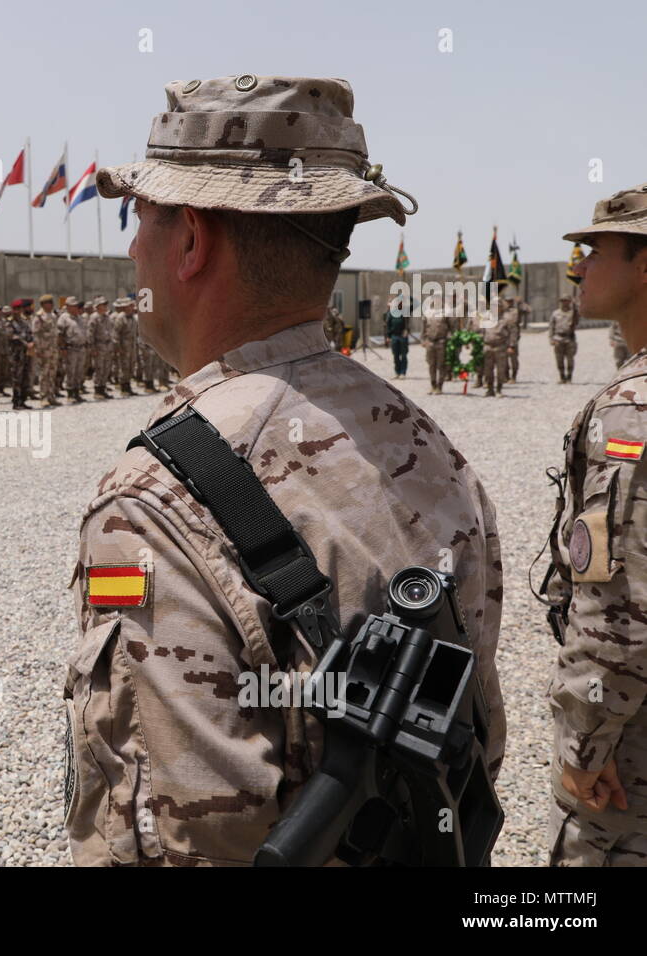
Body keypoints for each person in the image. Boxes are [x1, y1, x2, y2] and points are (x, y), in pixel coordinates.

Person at [67, 73, 505, 866]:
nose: (132, 249)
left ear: (192, 241)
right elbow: (473, 733)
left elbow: (179, 837)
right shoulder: (431, 447)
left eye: (140, 220)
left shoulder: (151, 505)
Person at [538, 182, 647, 865]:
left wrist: (584, 745)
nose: (578, 268)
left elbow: (623, 610)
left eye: (594, 251)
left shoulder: (631, 412)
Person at [420, 292, 454, 394]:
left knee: (441, 365)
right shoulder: (428, 313)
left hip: (441, 342)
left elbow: (451, 329)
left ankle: (440, 386)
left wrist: (451, 340)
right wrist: (423, 340)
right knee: (431, 365)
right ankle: (433, 385)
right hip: (430, 342)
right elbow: (424, 328)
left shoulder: (446, 313)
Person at [57, 296, 90, 402]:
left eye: (76, 306)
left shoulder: (80, 318)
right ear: (67, 307)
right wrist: (62, 348)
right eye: (72, 306)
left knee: (79, 372)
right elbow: (60, 334)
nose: (75, 308)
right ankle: (70, 394)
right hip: (70, 349)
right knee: (70, 371)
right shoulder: (64, 318)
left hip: (81, 348)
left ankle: (77, 392)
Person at [32, 294, 61, 408]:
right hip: (44, 350)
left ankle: (51, 396)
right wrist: (38, 349)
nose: (51, 305)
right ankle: (43, 397)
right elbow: (35, 334)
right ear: (43, 304)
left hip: (53, 349)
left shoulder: (53, 316)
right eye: (49, 303)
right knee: (44, 374)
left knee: (52, 373)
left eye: (52, 303)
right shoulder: (39, 317)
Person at [551, 293, 579, 383]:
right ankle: (562, 376)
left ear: (570, 302)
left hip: (569, 338)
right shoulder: (555, 313)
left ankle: (569, 377)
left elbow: (577, 319)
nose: (564, 302)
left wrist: (576, 306)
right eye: (562, 300)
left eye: (566, 300)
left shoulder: (573, 312)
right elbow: (551, 327)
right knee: (559, 359)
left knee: (570, 358)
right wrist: (551, 339)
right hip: (558, 338)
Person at [383, 298, 409, 378]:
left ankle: (403, 373)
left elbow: (407, 324)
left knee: (403, 355)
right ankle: (397, 372)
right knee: (395, 355)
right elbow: (388, 325)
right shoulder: (391, 313)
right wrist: (388, 336)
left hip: (402, 336)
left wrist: (407, 331)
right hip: (394, 336)